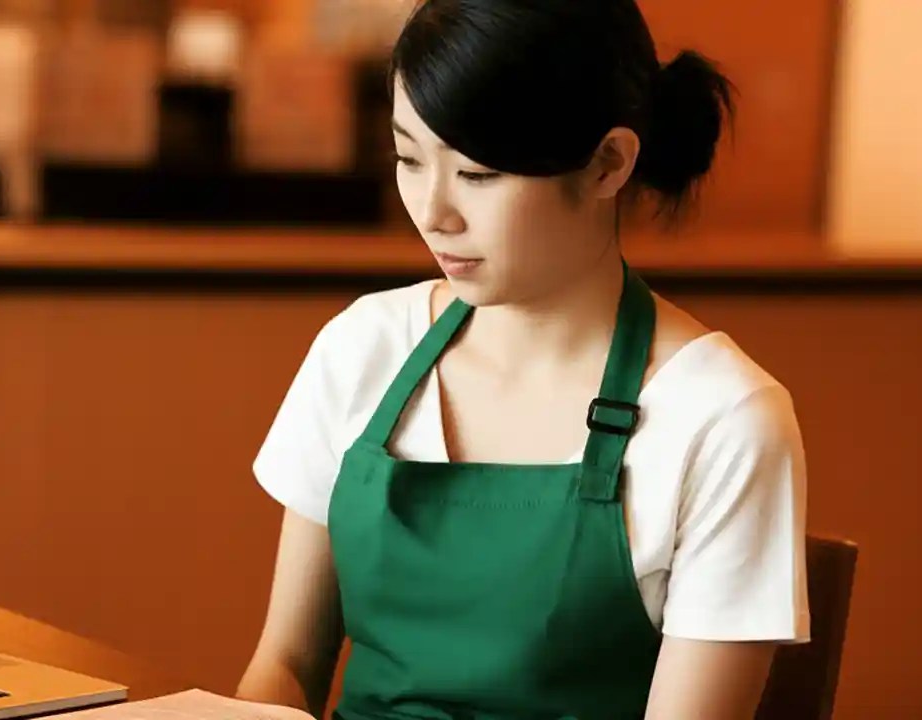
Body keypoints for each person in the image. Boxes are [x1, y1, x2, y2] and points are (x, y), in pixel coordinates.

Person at [237, 1, 810, 718]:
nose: (433, 211)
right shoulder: (364, 348)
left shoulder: (722, 419)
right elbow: (285, 665)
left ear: (608, 163)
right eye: (410, 158)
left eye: (477, 174)